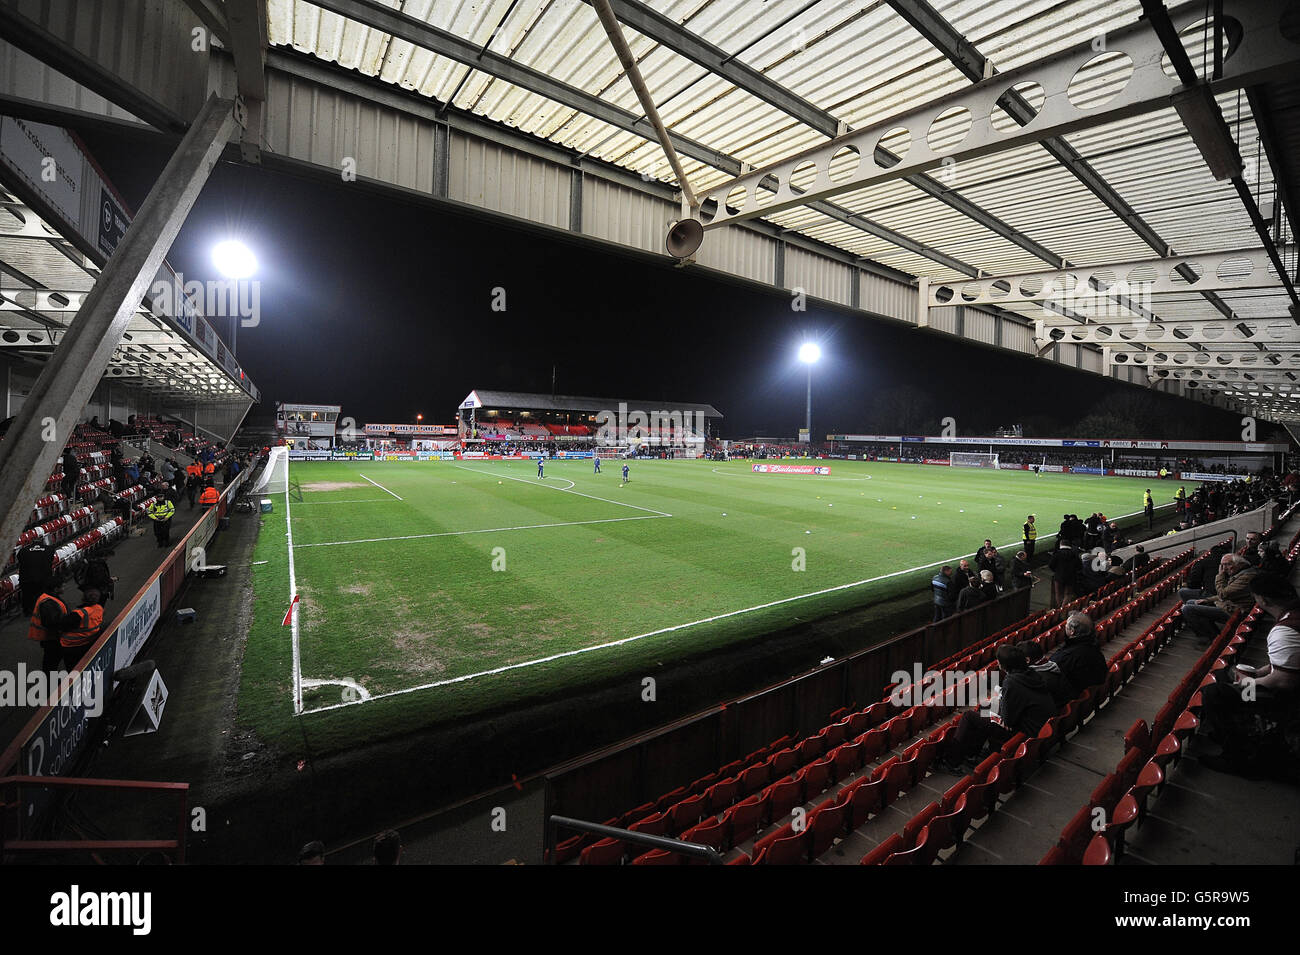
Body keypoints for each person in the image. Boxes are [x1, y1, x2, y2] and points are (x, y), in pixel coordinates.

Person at [1197, 574, 1300, 777]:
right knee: (1224, 673)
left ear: (1263, 600)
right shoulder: (1294, 616)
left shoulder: (1285, 631)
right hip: (1285, 687)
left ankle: (1236, 756)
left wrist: (1250, 682)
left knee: (1213, 694)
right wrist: (1259, 672)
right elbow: (1286, 662)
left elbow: (1284, 681)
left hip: (1285, 699)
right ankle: (1228, 730)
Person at [938, 645, 1057, 770]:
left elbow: (1008, 720)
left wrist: (999, 709)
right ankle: (971, 754)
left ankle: (951, 761)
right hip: (1035, 725)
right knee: (984, 710)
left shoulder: (1011, 682)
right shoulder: (1031, 673)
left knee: (969, 716)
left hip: (1026, 732)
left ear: (1002, 665)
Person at [1181, 553, 1259, 643]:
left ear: (1239, 564)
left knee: (1187, 609)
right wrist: (1207, 600)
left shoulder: (1246, 577)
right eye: (1222, 565)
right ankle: (1212, 633)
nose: (1224, 568)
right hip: (1230, 605)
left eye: (1228, 564)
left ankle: (1214, 638)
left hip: (1235, 611)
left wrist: (1220, 575)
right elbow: (1226, 594)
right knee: (1191, 602)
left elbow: (1223, 594)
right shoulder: (1241, 574)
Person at [1050, 612, 1108, 697]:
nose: (1064, 628)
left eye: (1066, 626)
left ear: (1072, 631)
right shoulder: (1096, 651)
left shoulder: (1066, 657)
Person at [28, 583, 69, 673]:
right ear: (55, 588)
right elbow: (51, 622)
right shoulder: (48, 603)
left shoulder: (49, 598)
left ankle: (50, 680)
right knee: (51, 662)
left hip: (50, 637)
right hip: (51, 638)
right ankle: (50, 683)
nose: (64, 588)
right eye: (62, 586)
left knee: (51, 661)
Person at [59, 588, 104, 669]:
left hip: (71, 645)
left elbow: (62, 625)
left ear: (83, 598)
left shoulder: (78, 614)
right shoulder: (99, 608)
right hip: (88, 642)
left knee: (71, 667)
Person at [16, 538, 55, 616]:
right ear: (42, 542)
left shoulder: (23, 550)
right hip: (44, 577)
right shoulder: (49, 549)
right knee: (45, 594)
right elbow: (51, 560)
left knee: (27, 595)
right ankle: (46, 609)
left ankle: (28, 611)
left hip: (27, 578)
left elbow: (20, 560)